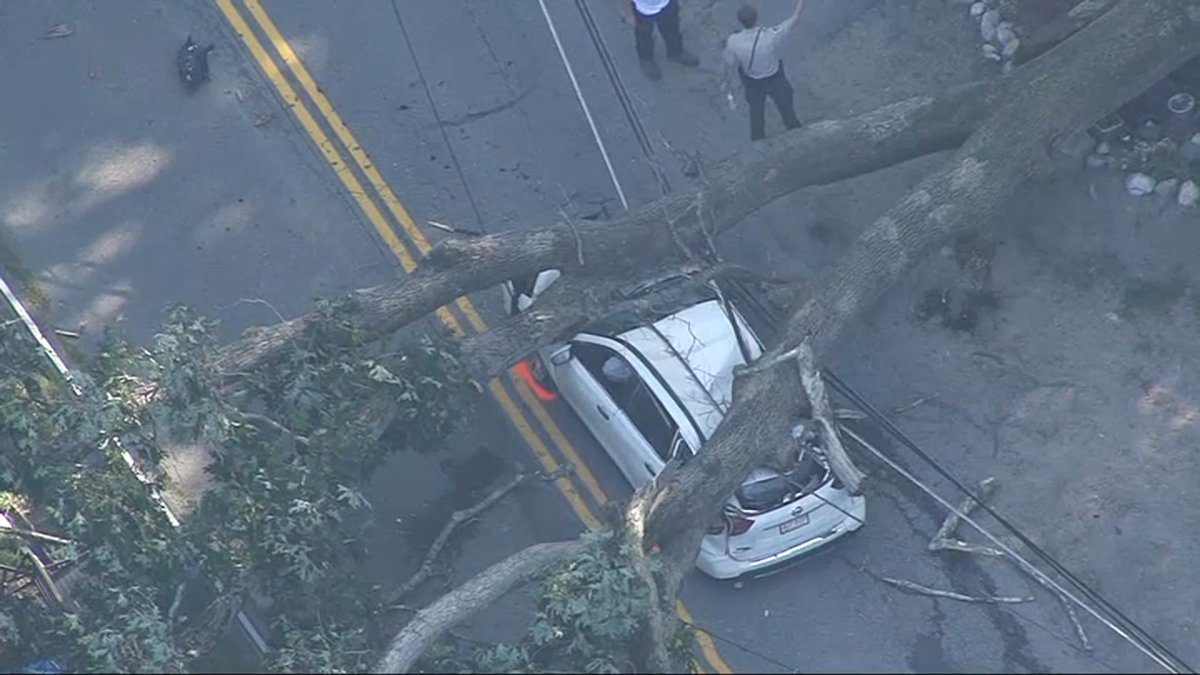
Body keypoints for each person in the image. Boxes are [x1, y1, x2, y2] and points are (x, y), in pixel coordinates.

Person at [723, 0, 805, 141]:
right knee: (786, 109)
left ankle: (758, 144)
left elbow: (730, 62)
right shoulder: (769, 36)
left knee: (756, 114)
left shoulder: (733, 41)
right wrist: (801, 3)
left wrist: (726, 82)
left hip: (752, 82)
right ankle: (798, 136)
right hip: (774, 77)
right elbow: (794, 19)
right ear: (756, 18)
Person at [619, 0, 700, 81]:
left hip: (668, 5)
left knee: (672, 30)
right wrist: (628, 14)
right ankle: (646, 59)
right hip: (642, 11)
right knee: (644, 38)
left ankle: (676, 52)